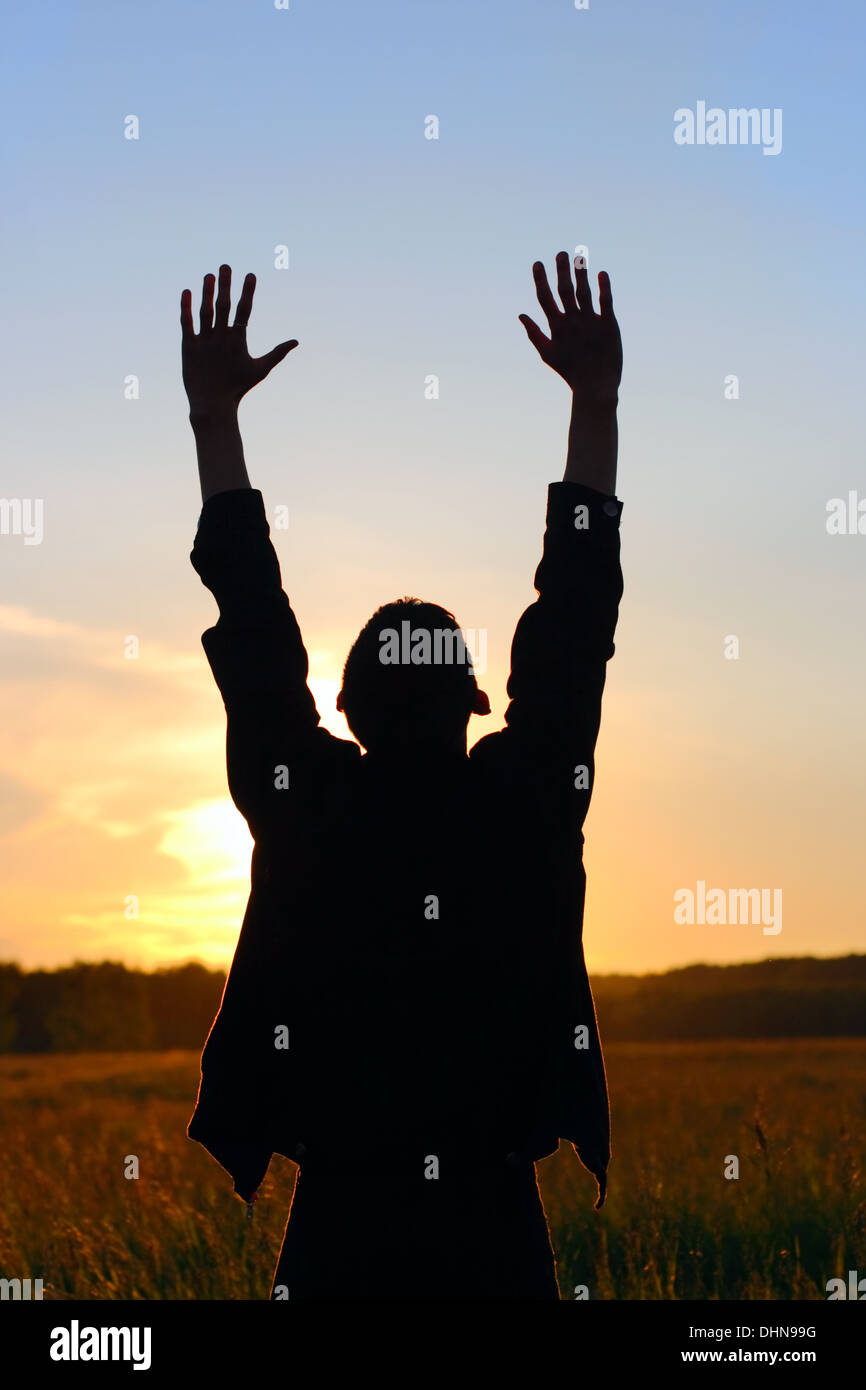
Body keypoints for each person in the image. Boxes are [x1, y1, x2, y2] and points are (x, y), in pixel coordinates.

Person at [181, 253, 624, 1299]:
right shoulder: (523, 804)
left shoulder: (308, 805)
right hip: (495, 1235)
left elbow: (252, 627)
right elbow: (572, 621)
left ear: (345, 709)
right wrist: (594, 405)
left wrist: (213, 424)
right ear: (475, 702)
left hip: (338, 1231)